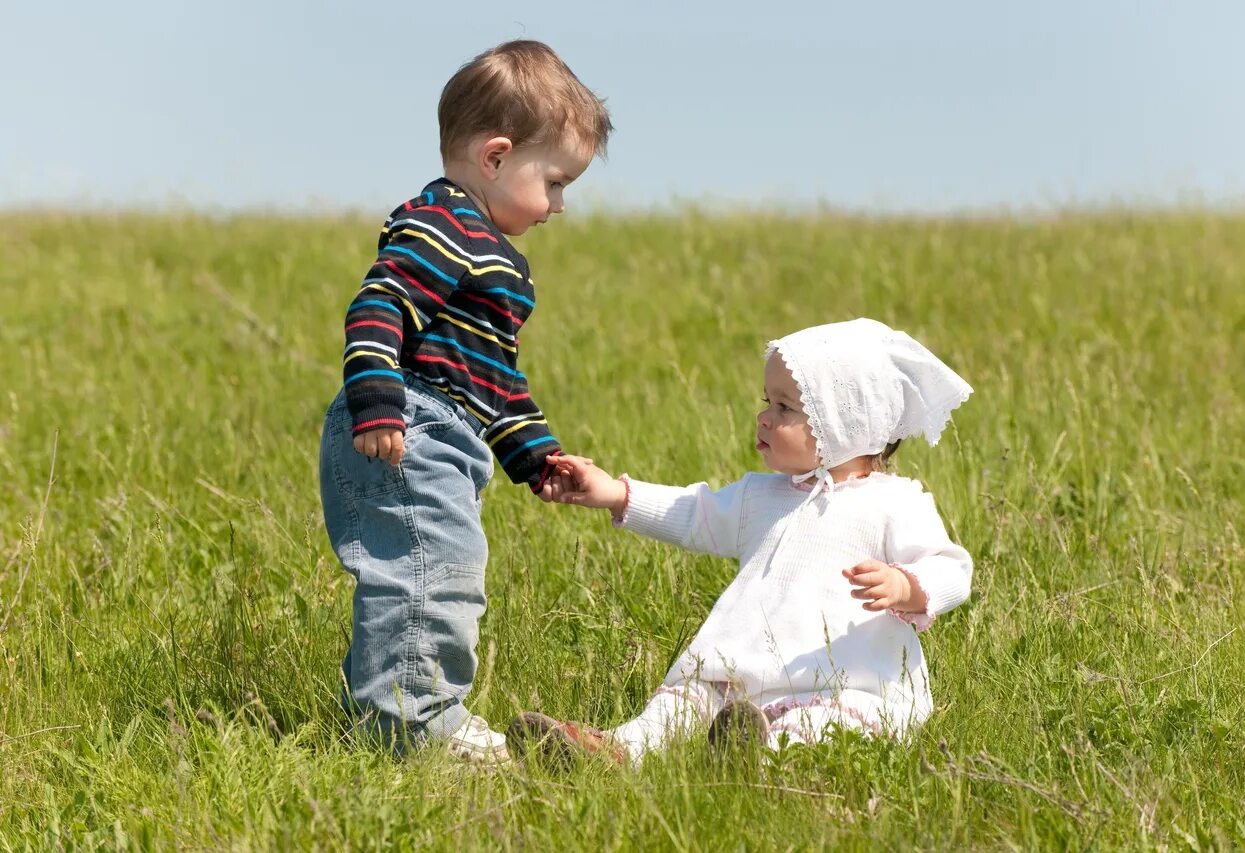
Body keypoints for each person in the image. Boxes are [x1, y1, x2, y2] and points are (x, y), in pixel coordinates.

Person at [318, 40, 612, 763]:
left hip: (447, 429)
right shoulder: (441, 224)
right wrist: (379, 398)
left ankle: (418, 713)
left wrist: (534, 454)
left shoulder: (493, 254)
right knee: (425, 574)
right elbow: (380, 304)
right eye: (555, 181)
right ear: (495, 156)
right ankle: (411, 729)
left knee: (445, 573)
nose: (559, 205)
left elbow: (492, 377)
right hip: (408, 424)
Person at [508, 318, 974, 762]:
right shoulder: (760, 495)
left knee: (823, 727)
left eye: (784, 407)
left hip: (845, 679)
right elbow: (694, 513)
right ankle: (618, 751)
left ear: (844, 423)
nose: (763, 418)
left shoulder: (894, 501)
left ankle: (760, 761)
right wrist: (614, 494)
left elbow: (952, 568)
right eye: (767, 402)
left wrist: (907, 585)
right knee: (681, 705)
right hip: (737, 675)